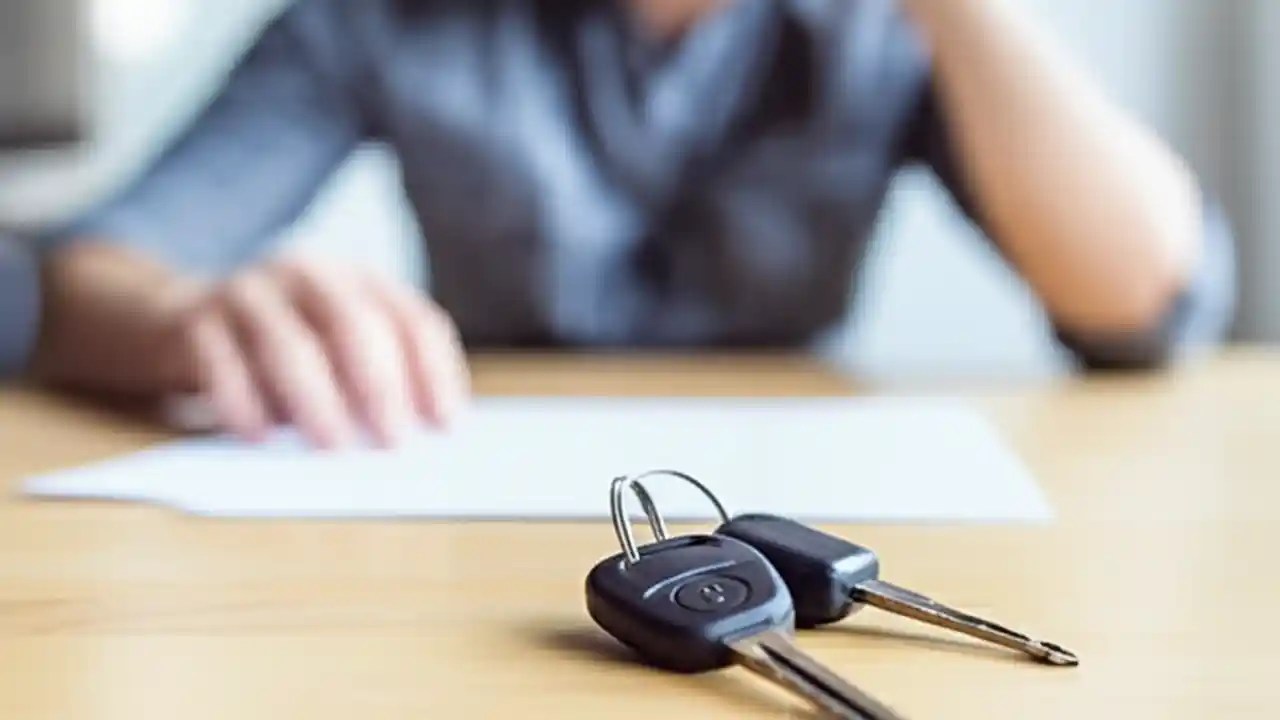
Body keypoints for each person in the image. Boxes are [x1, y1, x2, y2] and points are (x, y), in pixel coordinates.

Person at [9, 0, 1235, 448]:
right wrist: (188, 316)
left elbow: (1143, 307)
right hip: (459, 499)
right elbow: (75, 276)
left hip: (801, 522)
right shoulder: (375, 19)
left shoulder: (878, 28)